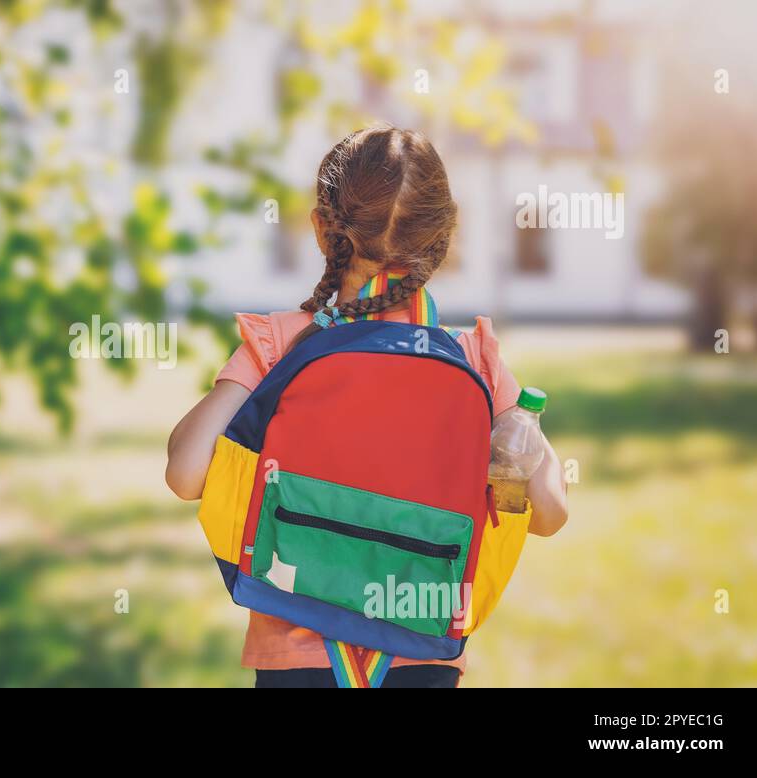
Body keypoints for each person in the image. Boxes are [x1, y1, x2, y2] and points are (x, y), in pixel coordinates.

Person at [165, 124, 569, 688]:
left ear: (321, 229)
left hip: (298, 655)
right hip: (422, 656)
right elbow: (549, 510)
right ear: (441, 241)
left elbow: (186, 474)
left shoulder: (279, 344)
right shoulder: (476, 359)